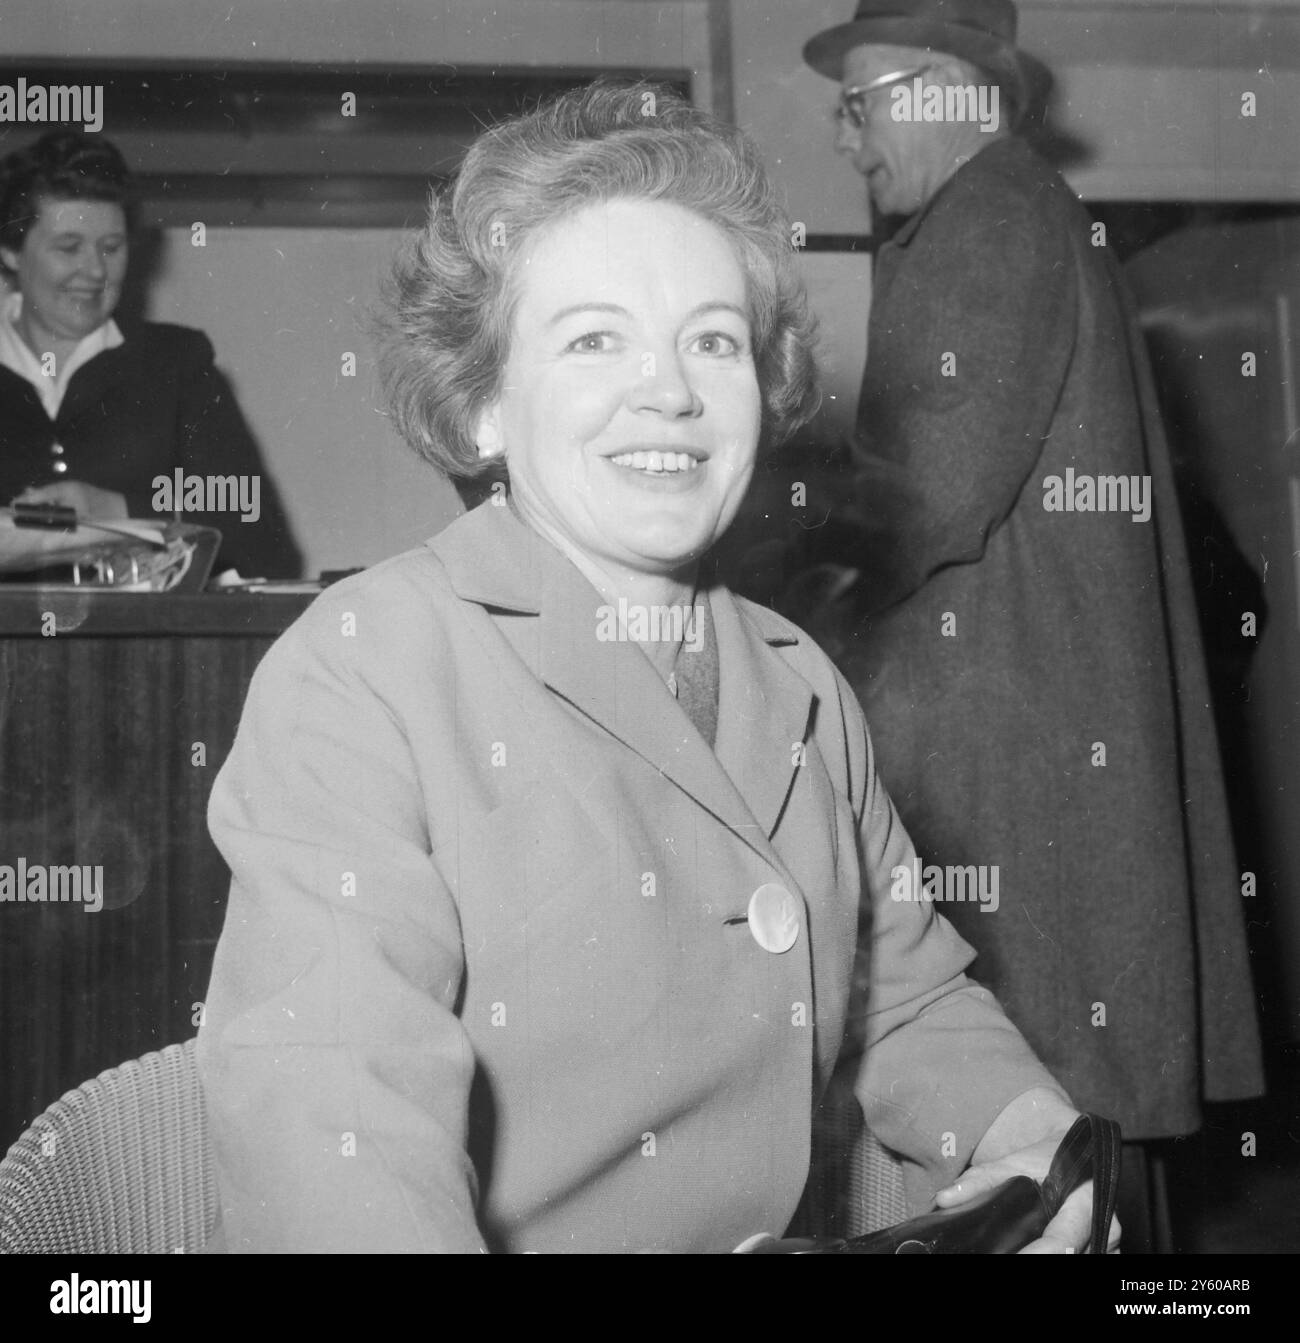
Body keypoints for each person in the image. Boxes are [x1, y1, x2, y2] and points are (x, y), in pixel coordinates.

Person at [194, 80, 1116, 1254]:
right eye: (594, 338)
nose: (670, 390)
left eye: (712, 341)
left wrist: (1037, 1141)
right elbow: (333, 1123)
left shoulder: (802, 685)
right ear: (481, 402)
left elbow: (909, 996)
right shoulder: (363, 669)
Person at [801, 0, 1264, 1240]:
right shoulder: (1023, 211)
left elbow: (917, 499)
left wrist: (753, 558)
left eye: (860, 104)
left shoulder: (983, 220)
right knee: (1079, 1138)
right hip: (1055, 771)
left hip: (1009, 778)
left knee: (1041, 1150)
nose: (847, 141)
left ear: (949, 89)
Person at [0, 130, 300, 577]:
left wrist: (115, 507)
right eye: (69, 248)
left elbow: (257, 529)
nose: (96, 270)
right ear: (9, 251)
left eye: (111, 247)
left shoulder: (176, 364)